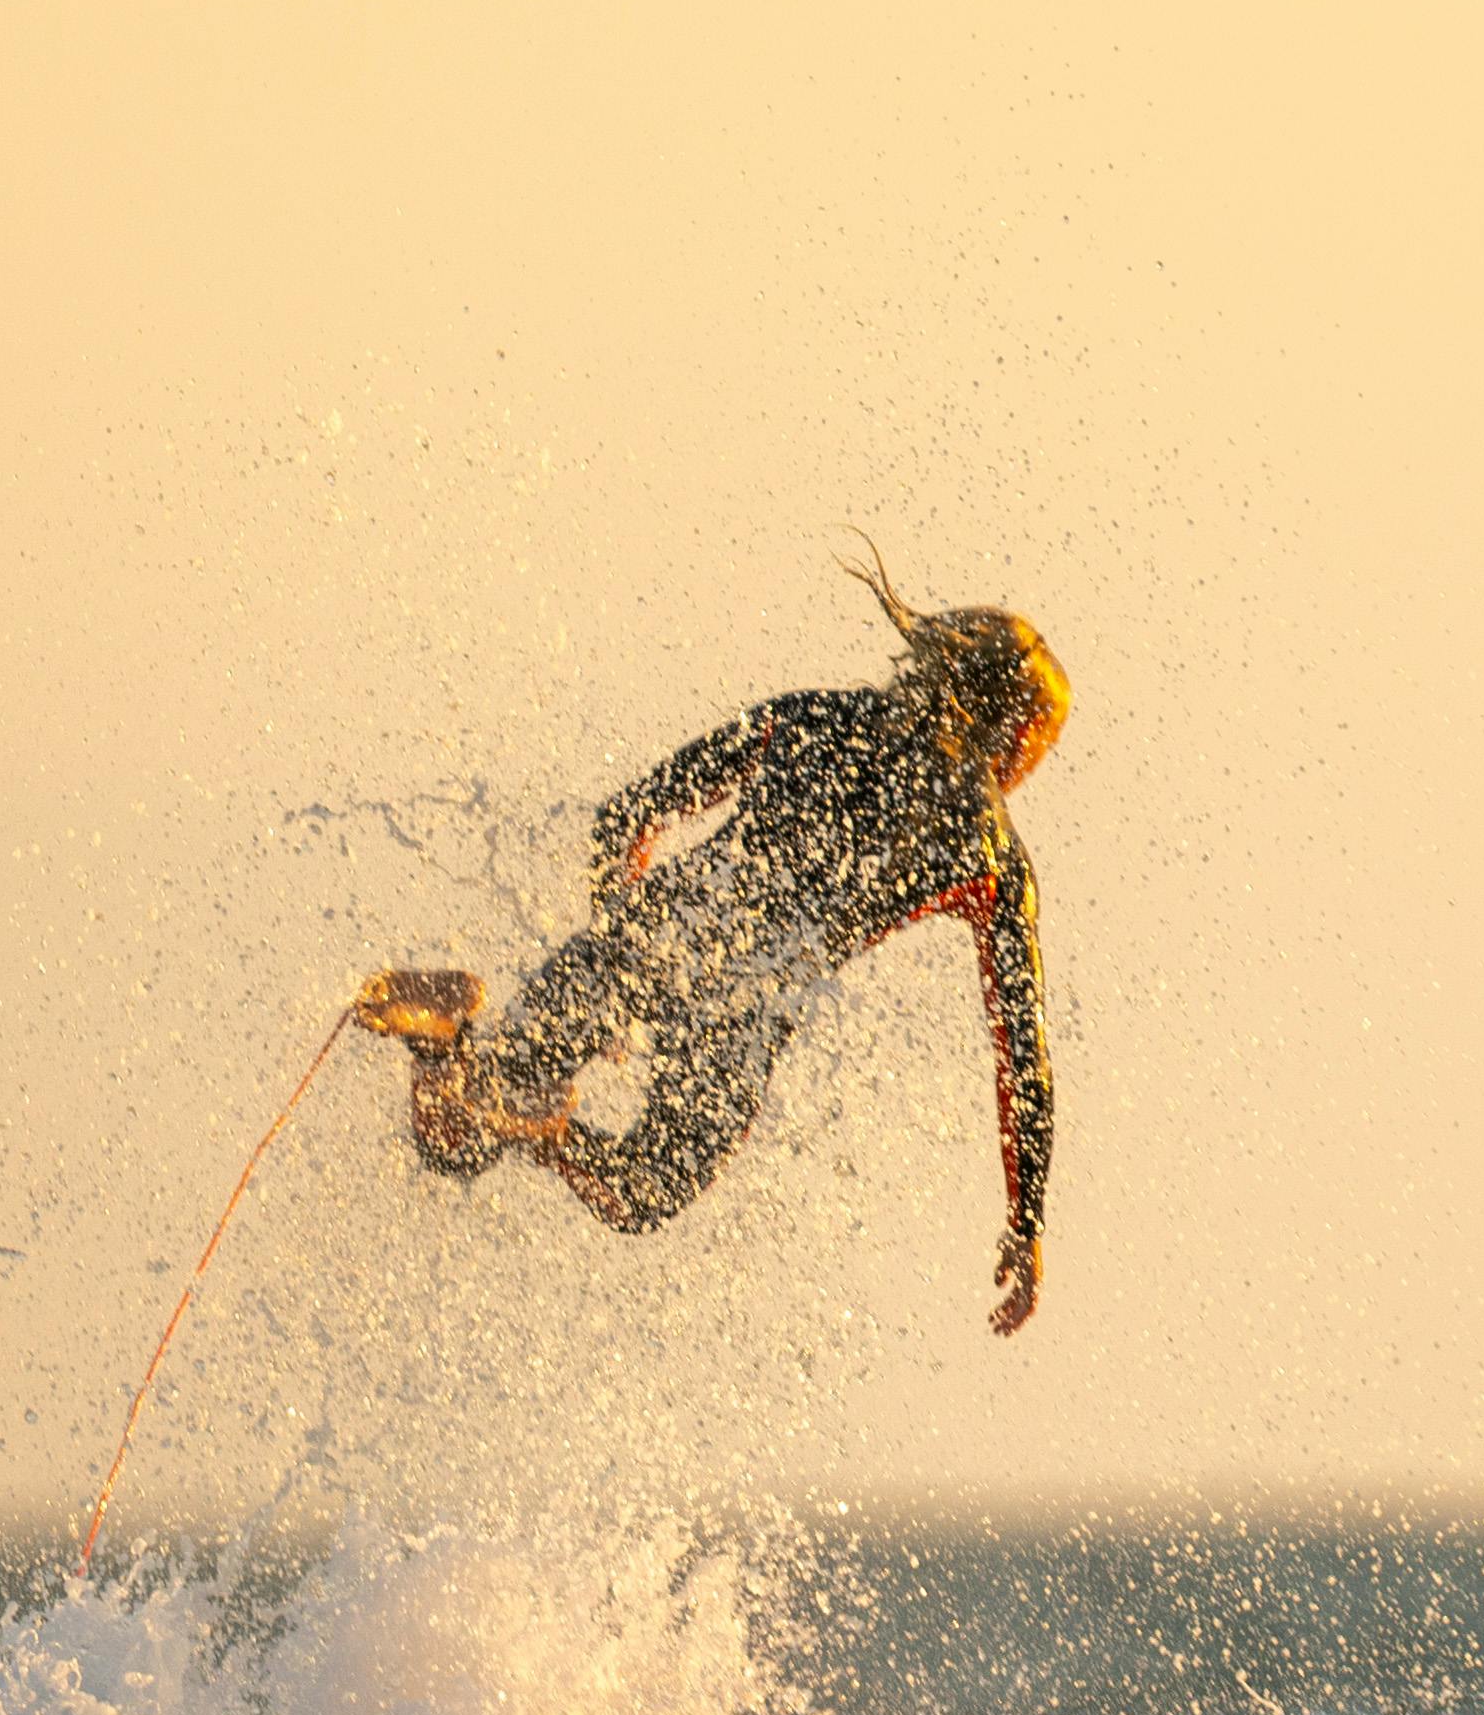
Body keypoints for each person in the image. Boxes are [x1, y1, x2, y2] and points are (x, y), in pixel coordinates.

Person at [354, 551, 1068, 1334]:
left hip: (655, 931)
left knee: (457, 1136)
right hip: (746, 1004)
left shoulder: (813, 718)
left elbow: (629, 815)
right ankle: (544, 1126)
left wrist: (616, 946)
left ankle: (444, 1041)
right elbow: (1021, 1059)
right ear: (1024, 732)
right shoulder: (990, 853)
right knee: (641, 1188)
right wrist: (1026, 1218)